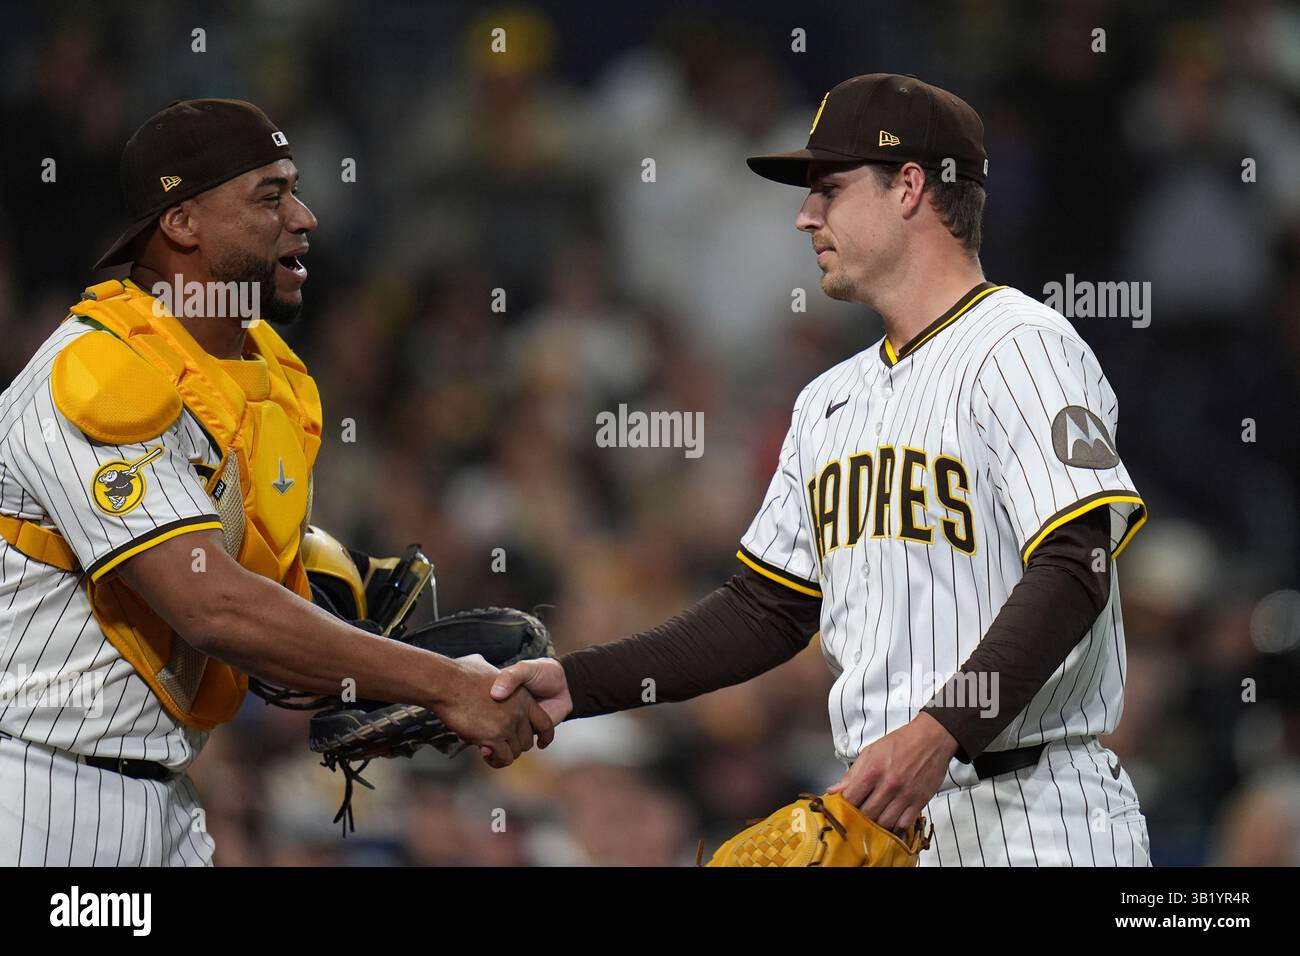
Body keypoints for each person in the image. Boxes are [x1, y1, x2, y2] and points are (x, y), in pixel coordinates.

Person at [492, 74, 1152, 866]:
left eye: (829, 189)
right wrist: (576, 684)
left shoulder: (1024, 348)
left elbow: (1077, 566)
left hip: (1036, 814)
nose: (806, 215)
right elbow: (764, 610)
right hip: (881, 823)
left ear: (909, 186)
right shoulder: (826, 403)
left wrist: (940, 731)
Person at [0, 99, 552, 866]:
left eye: (295, 189)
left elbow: (236, 569)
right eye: (269, 196)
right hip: (40, 798)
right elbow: (212, 606)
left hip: (158, 793)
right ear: (183, 222)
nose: (305, 217)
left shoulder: (251, 372)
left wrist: (336, 610)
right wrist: (441, 685)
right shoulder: (93, 376)